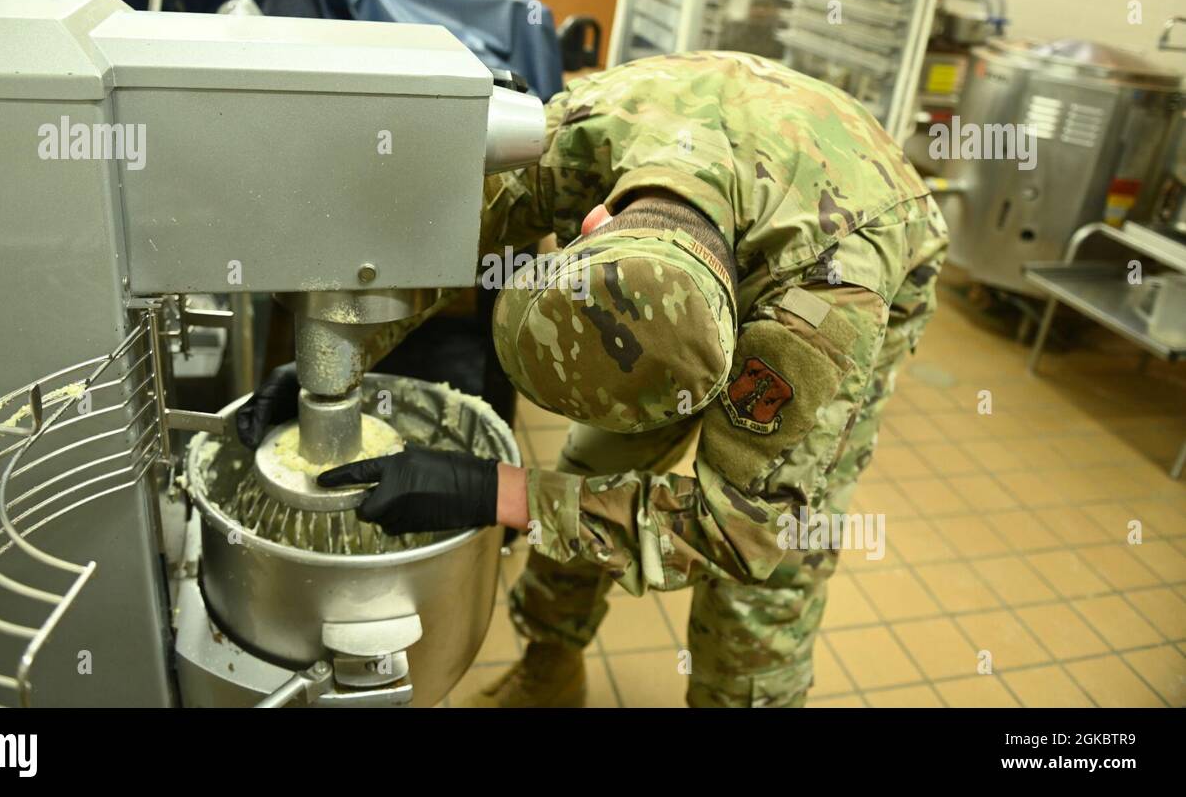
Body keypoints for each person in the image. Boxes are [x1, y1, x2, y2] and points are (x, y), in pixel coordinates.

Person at [237, 51, 948, 707]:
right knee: (589, 476)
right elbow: (432, 249)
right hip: (735, 154)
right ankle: (553, 670)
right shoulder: (568, 143)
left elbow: (738, 533)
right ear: (592, 222)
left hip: (853, 224)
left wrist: (491, 491)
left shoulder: (824, 312)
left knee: (761, 588)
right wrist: (331, 361)